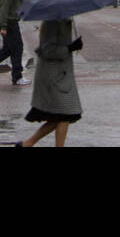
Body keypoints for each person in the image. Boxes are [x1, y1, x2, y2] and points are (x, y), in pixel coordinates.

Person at [17, 18, 82, 147]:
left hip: (60, 76)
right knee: (65, 115)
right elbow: (46, 50)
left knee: (58, 117)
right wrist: (69, 48)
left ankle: (27, 144)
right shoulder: (53, 21)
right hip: (53, 76)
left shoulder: (63, 20)